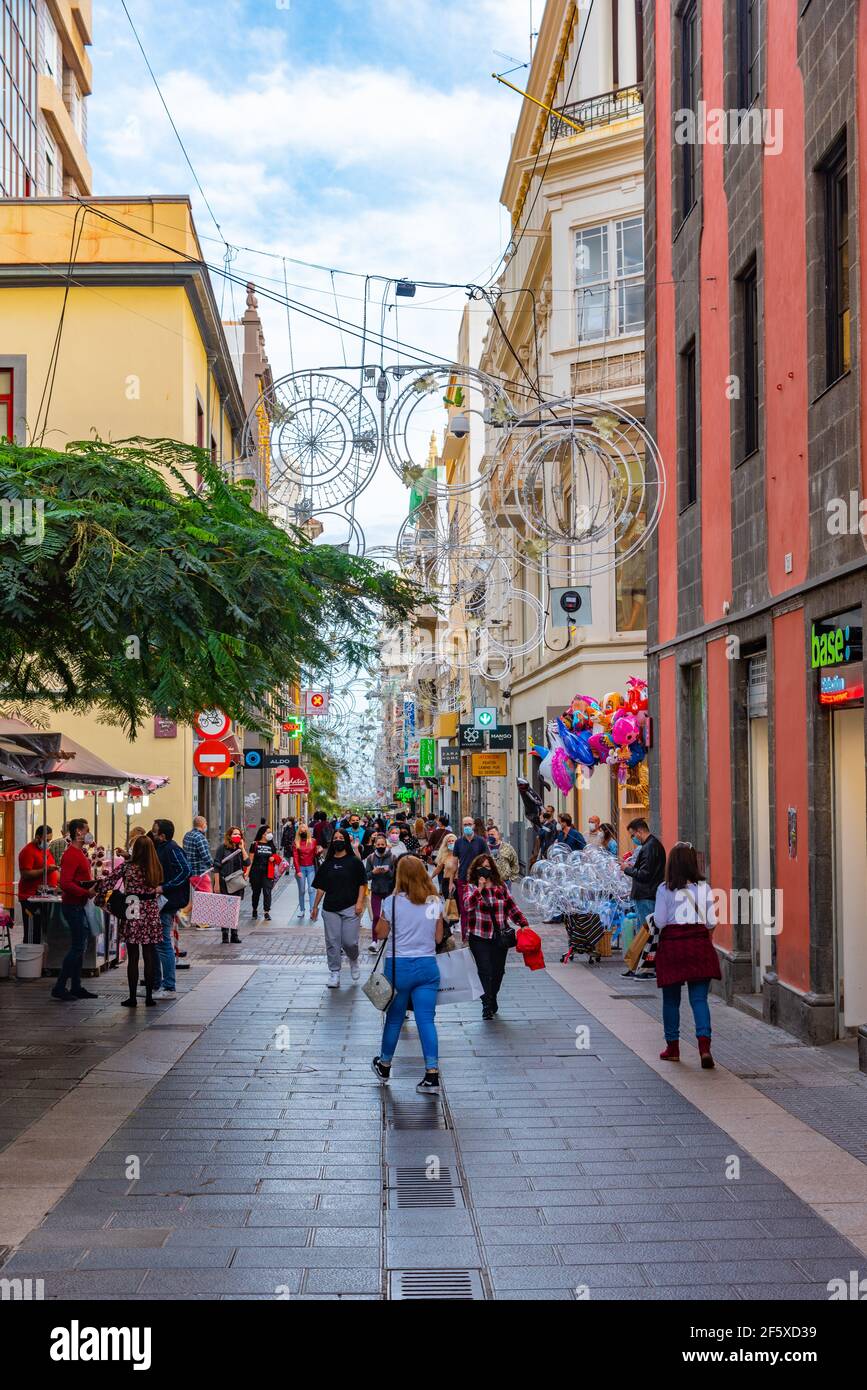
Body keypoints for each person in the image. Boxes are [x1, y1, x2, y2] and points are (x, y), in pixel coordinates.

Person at [371, 853, 444, 1094]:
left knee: (394, 1019)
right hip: (427, 966)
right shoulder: (435, 901)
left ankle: (384, 1064)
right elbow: (438, 937)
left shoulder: (391, 903)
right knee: (426, 1020)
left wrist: (383, 917)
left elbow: (380, 934)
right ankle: (431, 1073)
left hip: (399, 967)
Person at [653, 842, 721, 1068]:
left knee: (671, 1000)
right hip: (698, 944)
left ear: (671, 864)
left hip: (672, 946)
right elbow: (711, 922)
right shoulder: (704, 888)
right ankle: (704, 1048)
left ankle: (672, 1048)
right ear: (693, 864)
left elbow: (660, 921)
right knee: (699, 1000)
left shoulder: (664, 889)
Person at [97, 832, 163, 1007]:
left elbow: (108, 882)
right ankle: (149, 997)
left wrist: (99, 897)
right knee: (149, 955)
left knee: (133, 956)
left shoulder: (127, 868)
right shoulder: (155, 867)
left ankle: (133, 997)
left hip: (132, 907)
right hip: (150, 909)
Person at [464, 851, 529, 1020]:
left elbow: (511, 907)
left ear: (492, 868)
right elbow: (467, 906)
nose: (484, 870)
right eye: (481, 867)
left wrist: (523, 923)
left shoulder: (501, 887)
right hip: (479, 936)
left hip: (499, 936)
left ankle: (492, 996)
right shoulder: (471, 887)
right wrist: (479, 888)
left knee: (498, 971)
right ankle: (486, 1003)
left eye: (487, 867)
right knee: (484, 970)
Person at [310, 827, 368, 988]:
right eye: (335, 838)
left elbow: (362, 884)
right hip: (330, 909)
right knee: (333, 941)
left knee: (350, 942)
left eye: (340, 838)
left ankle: (353, 959)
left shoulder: (354, 862)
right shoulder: (327, 863)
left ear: (346, 841)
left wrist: (359, 903)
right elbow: (321, 887)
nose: (338, 841)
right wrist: (314, 907)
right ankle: (334, 972)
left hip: (350, 907)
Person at [52, 819, 98, 1002]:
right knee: (78, 946)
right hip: (73, 905)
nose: (89, 833)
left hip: (79, 904)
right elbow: (65, 883)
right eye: (87, 830)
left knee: (81, 945)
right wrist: (86, 892)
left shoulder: (79, 853)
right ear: (78, 832)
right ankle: (60, 986)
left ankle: (76, 986)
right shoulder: (71, 854)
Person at [150, 820, 191, 998]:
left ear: (163, 835)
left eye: (154, 831)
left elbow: (185, 870)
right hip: (164, 901)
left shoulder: (172, 849)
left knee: (163, 943)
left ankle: (168, 986)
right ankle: (160, 984)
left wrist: (164, 887)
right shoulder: (163, 848)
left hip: (167, 902)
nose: (152, 834)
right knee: (160, 943)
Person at [18, 825, 60, 942]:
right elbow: (25, 874)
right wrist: (45, 870)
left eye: (49, 840)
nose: (48, 842)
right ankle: (31, 954)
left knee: (43, 931)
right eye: (46, 840)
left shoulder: (45, 851)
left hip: (46, 896)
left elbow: (53, 872)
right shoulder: (27, 851)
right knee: (33, 931)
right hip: (30, 898)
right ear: (37, 838)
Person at [623, 817, 666, 927]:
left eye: (633, 835)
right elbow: (647, 869)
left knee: (645, 933)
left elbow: (645, 874)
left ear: (640, 832)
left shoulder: (649, 847)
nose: (633, 839)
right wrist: (632, 866)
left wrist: (626, 869)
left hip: (645, 896)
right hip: (648, 894)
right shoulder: (652, 845)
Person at [454, 815, 488, 939]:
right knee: (463, 909)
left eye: (469, 824)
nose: (467, 827)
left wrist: (485, 879)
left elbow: (486, 860)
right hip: (462, 879)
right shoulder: (458, 842)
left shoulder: (480, 841)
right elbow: (454, 861)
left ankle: (478, 934)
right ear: (462, 826)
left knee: (479, 907)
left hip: (477, 880)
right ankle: (465, 936)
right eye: (465, 825)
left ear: (473, 825)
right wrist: (453, 879)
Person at [213, 827, 248, 944]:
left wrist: (242, 848)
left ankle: (234, 934)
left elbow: (247, 862)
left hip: (236, 883)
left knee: (235, 909)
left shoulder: (239, 849)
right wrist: (216, 884)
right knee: (225, 909)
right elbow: (216, 867)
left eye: (239, 834)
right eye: (234, 834)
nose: (237, 836)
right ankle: (224, 934)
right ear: (229, 835)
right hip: (224, 882)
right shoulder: (222, 848)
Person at [364, 831, 398, 948]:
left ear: (386, 845)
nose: (380, 847)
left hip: (389, 890)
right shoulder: (371, 858)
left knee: (390, 915)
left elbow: (396, 875)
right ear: (375, 845)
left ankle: (391, 937)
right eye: (378, 845)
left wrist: (388, 871)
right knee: (376, 916)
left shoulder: (393, 858)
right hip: (376, 890)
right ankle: (374, 940)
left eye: (382, 845)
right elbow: (366, 875)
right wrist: (373, 872)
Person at [248, 825, 281, 921]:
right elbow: (250, 860)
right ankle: (254, 909)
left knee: (267, 892)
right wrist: (247, 873)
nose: (270, 834)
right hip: (256, 871)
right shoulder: (255, 844)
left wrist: (274, 858)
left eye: (270, 832)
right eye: (268, 832)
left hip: (268, 872)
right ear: (263, 834)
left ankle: (266, 912)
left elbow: (277, 858)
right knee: (256, 892)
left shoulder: (271, 845)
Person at [292, 823, 318, 920]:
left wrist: (318, 851)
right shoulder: (296, 843)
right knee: (302, 890)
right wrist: (298, 870)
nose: (303, 832)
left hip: (311, 867)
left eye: (305, 830)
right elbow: (295, 858)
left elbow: (315, 853)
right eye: (301, 831)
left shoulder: (313, 841)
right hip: (301, 868)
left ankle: (312, 910)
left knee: (311, 890)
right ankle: (302, 909)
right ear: (299, 832)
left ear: (307, 832)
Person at [183, 815, 214, 894]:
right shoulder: (200, 837)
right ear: (203, 825)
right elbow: (206, 857)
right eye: (206, 824)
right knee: (206, 899)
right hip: (200, 874)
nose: (206, 826)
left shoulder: (187, 835)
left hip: (190, 873)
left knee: (195, 899)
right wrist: (215, 867)